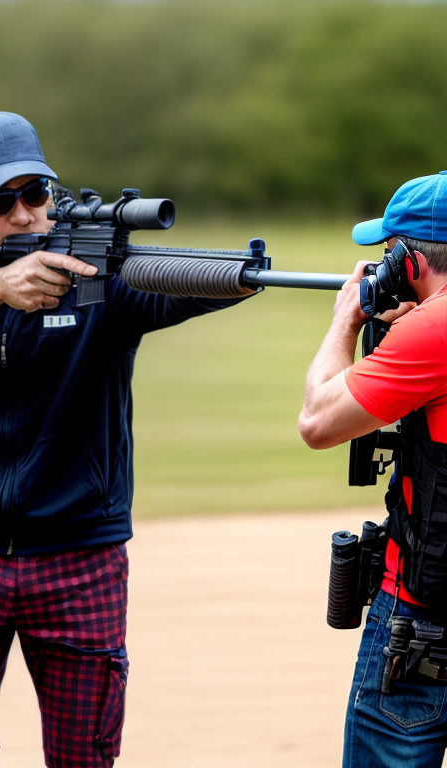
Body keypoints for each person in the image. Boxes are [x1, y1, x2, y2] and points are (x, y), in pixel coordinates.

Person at [0, 109, 252, 768]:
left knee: (83, 760)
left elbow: (195, 289)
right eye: (0, 201)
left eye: (36, 195)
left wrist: (235, 273)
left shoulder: (95, 270)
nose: (24, 215)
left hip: (81, 556)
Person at [298, 172, 447, 768]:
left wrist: (347, 320)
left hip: (423, 626)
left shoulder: (430, 331)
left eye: (387, 251)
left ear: (410, 260)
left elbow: (317, 422)